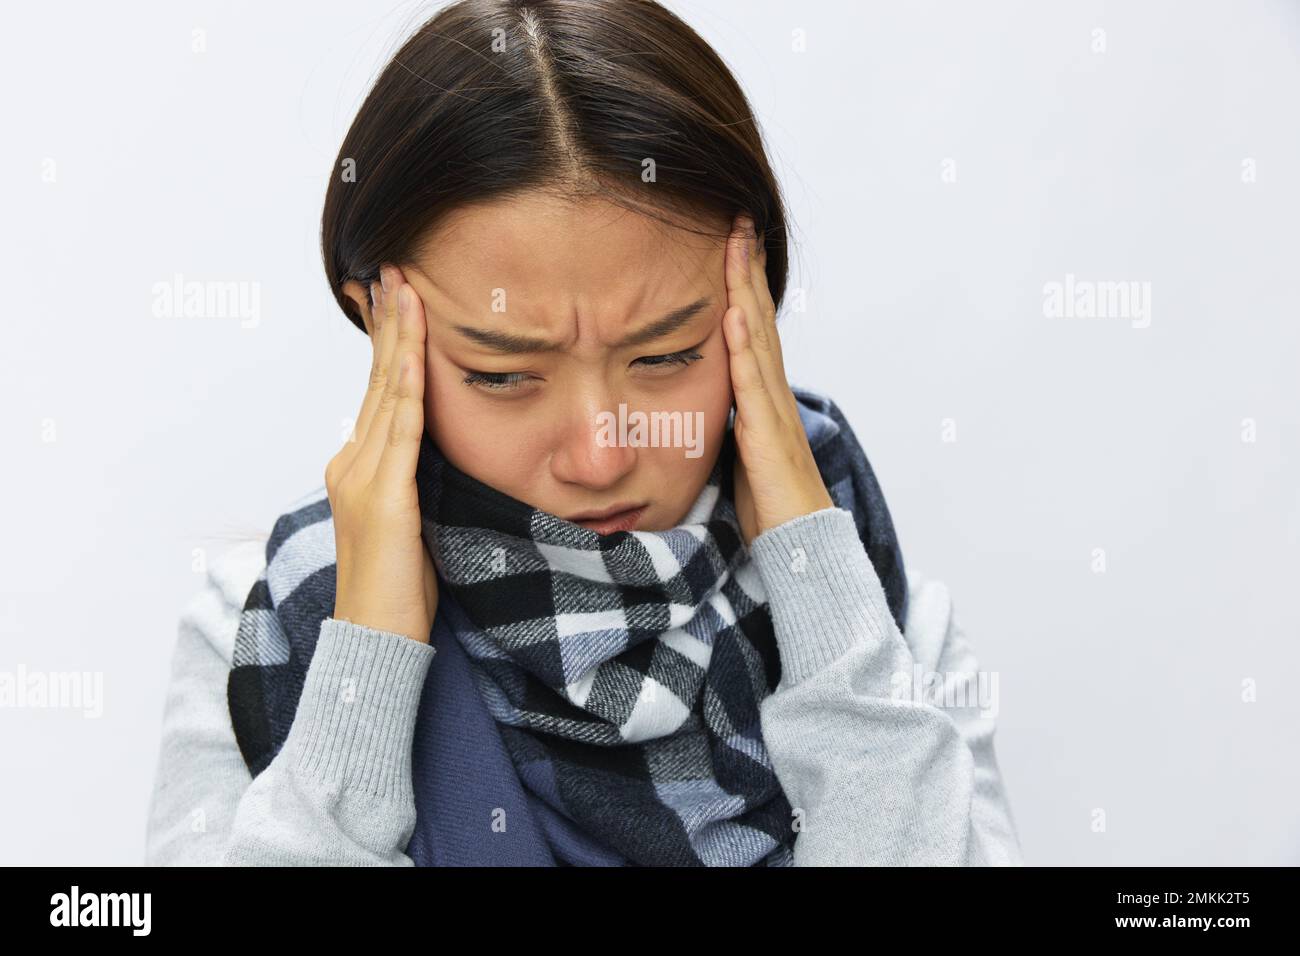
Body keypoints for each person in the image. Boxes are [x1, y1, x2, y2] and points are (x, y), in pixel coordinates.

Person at [144, 0, 1023, 866]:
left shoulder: (878, 624)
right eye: (504, 374)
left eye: (668, 355)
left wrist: (817, 585)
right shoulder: (262, 632)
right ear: (376, 322)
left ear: (753, 309)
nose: (601, 455)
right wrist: (367, 658)